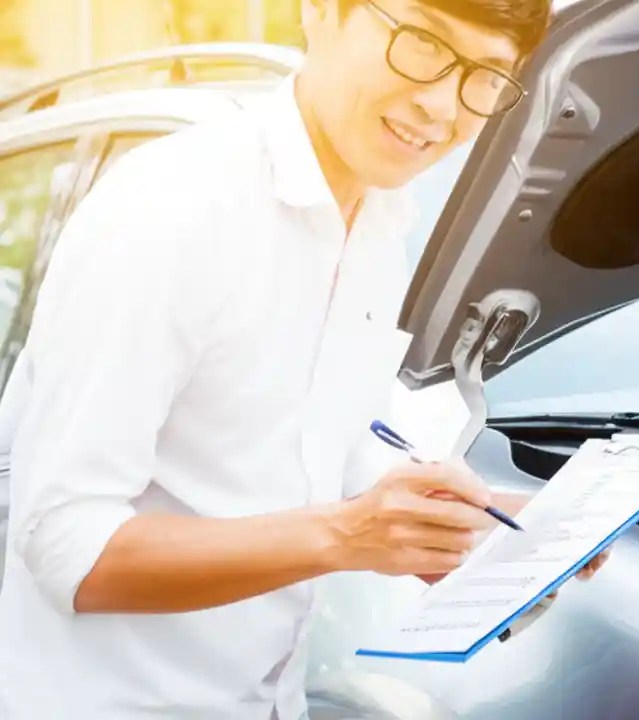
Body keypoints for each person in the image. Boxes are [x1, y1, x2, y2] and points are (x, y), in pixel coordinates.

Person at [0, 0, 607, 717]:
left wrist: (467, 520)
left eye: (484, 76)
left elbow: (321, 448)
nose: (443, 106)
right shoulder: (169, 213)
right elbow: (67, 547)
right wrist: (346, 537)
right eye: (421, 42)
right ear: (319, 11)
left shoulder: (379, 226)